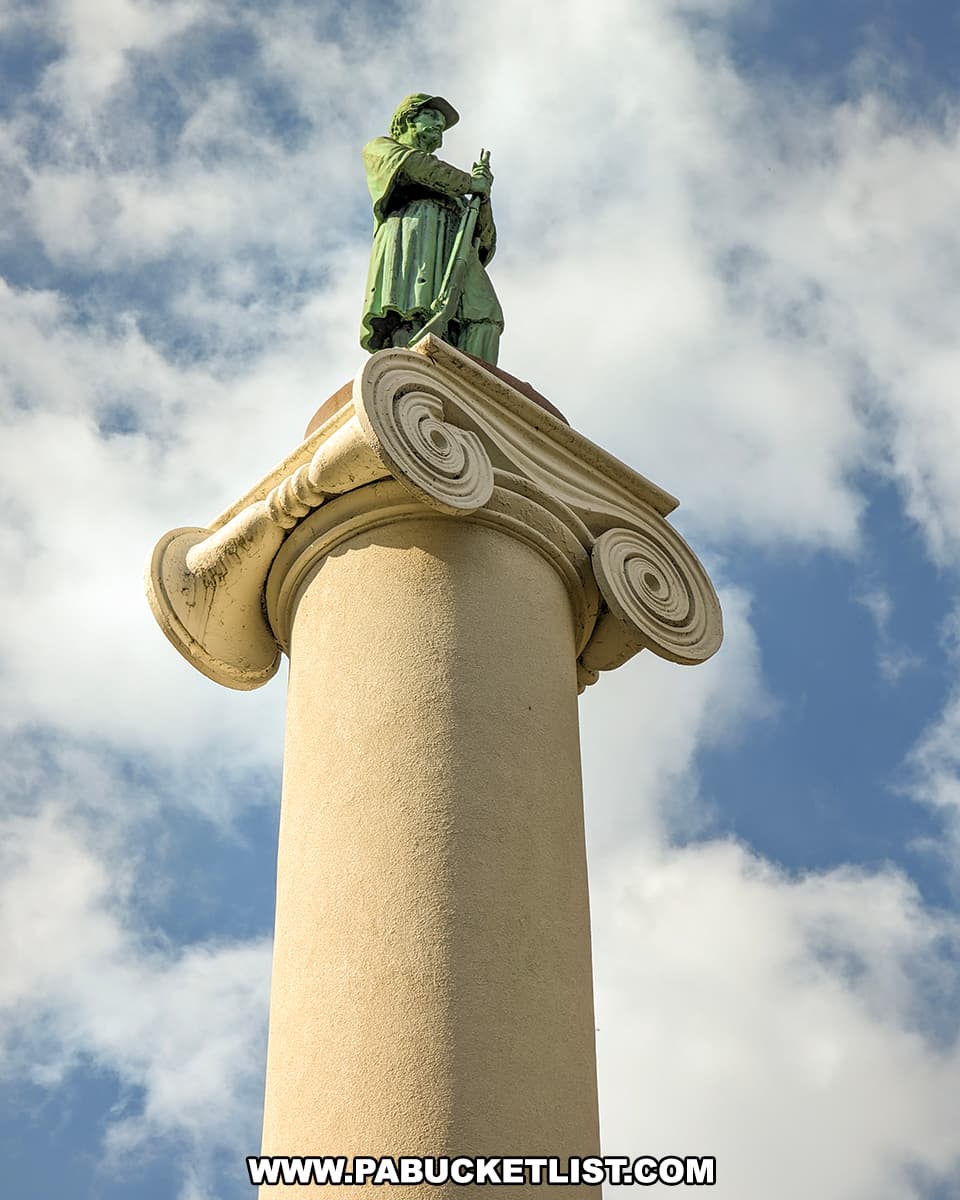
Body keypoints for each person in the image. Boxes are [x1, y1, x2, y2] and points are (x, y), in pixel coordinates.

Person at [359, 93, 503, 366]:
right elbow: (412, 165)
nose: (439, 125)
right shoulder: (380, 148)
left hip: (454, 254)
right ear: (407, 119)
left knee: (486, 314)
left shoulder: (457, 190)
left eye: (441, 122)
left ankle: (474, 383)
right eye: (432, 116)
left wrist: (483, 196)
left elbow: (485, 243)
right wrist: (469, 184)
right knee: (414, 313)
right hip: (414, 238)